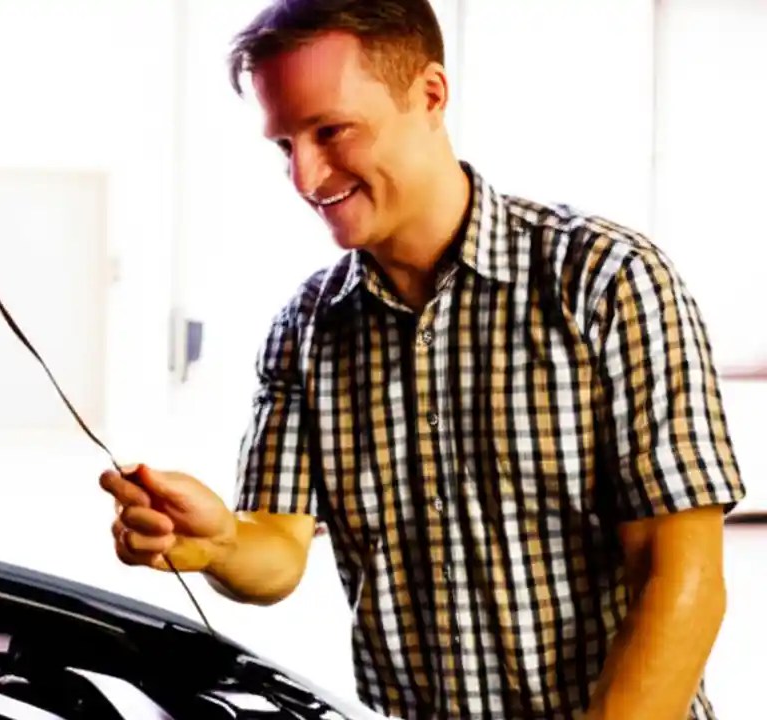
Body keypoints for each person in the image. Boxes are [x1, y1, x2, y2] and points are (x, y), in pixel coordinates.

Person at [98, 1, 747, 718]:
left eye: (331, 130)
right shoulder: (304, 329)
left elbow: (679, 572)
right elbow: (277, 548)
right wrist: (218, 542)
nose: (306, 177)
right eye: (285, 145)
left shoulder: (607, 279)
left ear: (430, 94)